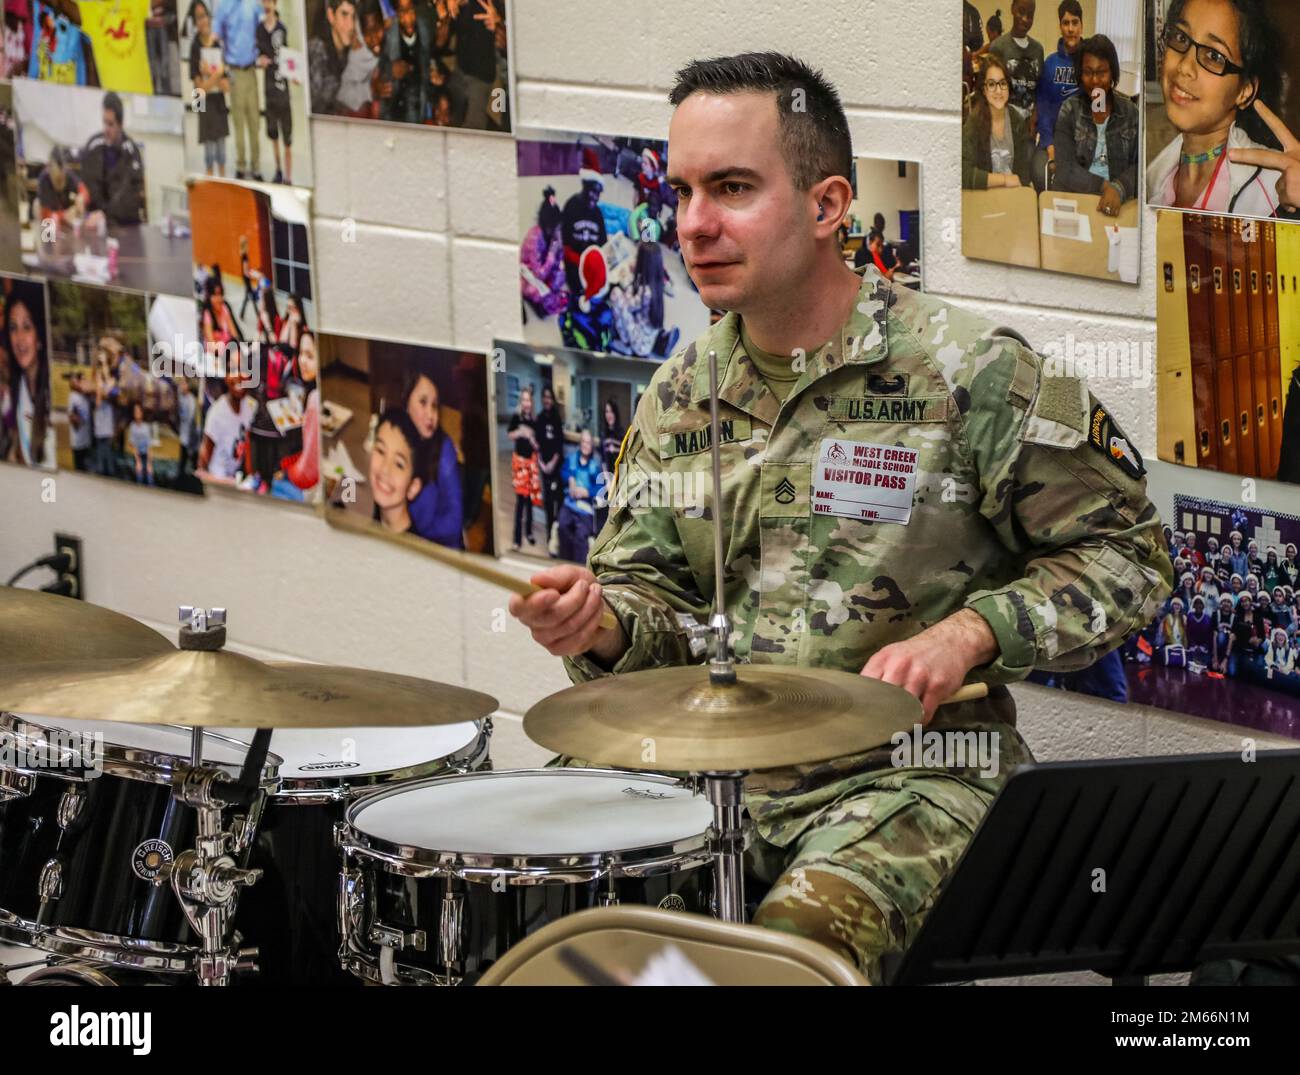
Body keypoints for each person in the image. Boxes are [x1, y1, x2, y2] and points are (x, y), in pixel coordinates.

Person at [508, 51, 1171, 981]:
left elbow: (1132, 558)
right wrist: (605, 625)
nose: (695, 224)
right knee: (532, 907)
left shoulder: (971, 369)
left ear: (827, 207)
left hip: (909, 773)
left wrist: (972, 631)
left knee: (785, 956)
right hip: (710, 765)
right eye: (684, 189)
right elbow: (648, 598)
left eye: (733, 188)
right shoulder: (680, 392)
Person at [1147, 0, 1296, 219]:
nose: (1184, 66)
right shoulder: (1155, 176)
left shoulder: (1276, 190)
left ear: (1244, 91)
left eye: (1214, 56)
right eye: (1181, 37)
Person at [1051, 34, 1138, 216]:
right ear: (1080, 75)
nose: (1095, 80)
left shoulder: (1131, 113)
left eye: (1102, 72)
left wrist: (1119, 188)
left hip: (1118, 204)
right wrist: (1106, 186)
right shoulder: (1069, 110)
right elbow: (1064, 167)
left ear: (1112, 73)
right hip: (1075, 197)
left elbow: (1141, 167)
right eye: (1088, 72)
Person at [403, 370, 464, 549]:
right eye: (423, 402)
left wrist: (417, 531)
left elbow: (455, 521)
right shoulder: (401, 439)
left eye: (435, 406)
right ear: (406, 404)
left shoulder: (444, 451)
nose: (431, 414)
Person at [962, 53, 1034, 190]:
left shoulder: (1017, 122)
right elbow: (963, 173)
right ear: (983, 89)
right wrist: (1004, 180)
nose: (998, 91)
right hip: (984, 195)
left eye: (1002, 83)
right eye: (991, 84)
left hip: (1011, 197)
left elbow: (1023, 177)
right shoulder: (974, 122)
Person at [1, 288, 53, 468]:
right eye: (13, 328)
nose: (19, 338)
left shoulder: (49, 393)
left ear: (40, 336)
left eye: (27, 327)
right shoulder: (18, 389)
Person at [80, 92, 146, 227]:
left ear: (120, 125)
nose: (106, 129)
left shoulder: (131, 151)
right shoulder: (94, 146)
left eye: (111, 124)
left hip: (125, 223)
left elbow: (128, 194)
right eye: (104, 122)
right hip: (97, 223)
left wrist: (105, 214)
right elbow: (90, 187)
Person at [214, 0, 262, 180]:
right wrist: (221, 75)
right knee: (237, 123)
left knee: (254, 122)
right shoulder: (223, 8)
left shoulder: (254, 6)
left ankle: (255, 167)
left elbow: (263, 32)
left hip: (249, 71)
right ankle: (240, 166)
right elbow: (215, 41)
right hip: (230, 74)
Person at [1035, 0, 1083, 173]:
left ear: (1081, 26)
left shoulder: (1090, 62)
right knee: (1040, 174)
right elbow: (1044, 110)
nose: (1070, 29)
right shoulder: (1050, 63)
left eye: (1075, 22)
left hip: (1083, 142)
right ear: (1060, 27)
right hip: (1052, 141)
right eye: (1066, 23)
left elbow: (1098, 106)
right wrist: (1050, 147)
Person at [610, 242, 677, 358]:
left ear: (642, 262)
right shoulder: (657, 283)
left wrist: (627, 281)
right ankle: (662, 339)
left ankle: (625, 343)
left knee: (616, 294)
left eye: (637, 257)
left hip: (639, 345)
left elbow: (628, 305)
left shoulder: (644, 291)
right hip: (649, 338)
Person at [189, 1, 231, 177]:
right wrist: (216, 74)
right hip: (203, 105)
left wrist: (210, 75)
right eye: (199, 18)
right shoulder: (194, 48)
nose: (203, 21)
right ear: (194, 22)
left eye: (205, 16)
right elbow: (198, 91)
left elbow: (226, 87)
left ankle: (222, 182)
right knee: (209, 156)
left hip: (219, 103)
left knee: (221, 154)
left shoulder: (218, 45)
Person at [369, 407, 425, 533]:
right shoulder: (380, 509)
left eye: (399, 464)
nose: (385, 469)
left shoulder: (408, 549)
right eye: (381, 451)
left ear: (413, 488)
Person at [989, 0, 1044, 125]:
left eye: (1030, 15)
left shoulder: (1038, 50)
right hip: (1004, 125)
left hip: (1029, 128)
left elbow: (1040, 90)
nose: (1025, 19)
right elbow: (990, 91)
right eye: (1021, 12)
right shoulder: (998, 47)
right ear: (1013, 9)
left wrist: (1035, 117)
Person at [556, 427, 604, 564]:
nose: (585, 445)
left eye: (588, 443)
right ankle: (564, 565)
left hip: (585, 509)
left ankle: (578, 569)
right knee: (563, 527)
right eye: (583, 441)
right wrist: (570, 478)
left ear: (591, 446)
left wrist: (587, 492)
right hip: (569, 504)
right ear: (580, 443)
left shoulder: (595, 466)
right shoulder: (571, 459)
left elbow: (601, 488)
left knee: (580, 535)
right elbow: (563, 472)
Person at [256, 0, 292, 184]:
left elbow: (288, 57)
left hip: (282, 88)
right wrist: (259, 61)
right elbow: (257, 54)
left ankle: (288, 174)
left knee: (287, 134)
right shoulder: (259, 30)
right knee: (273, 132)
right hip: (269, 88)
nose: (266, 5)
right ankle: (278, 170)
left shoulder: (282, 29)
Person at [198, 367, 255, 480]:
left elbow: (246, 442)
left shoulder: (249, 406)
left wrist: (249, 475)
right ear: (226, 377)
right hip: (217, 477)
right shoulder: (217, 413)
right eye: (234, 371)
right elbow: (204, 456)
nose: (239, 376)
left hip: (235, 476)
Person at [520, 187, 568, 318]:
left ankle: (547, 297)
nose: (558, 231)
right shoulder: (534, 238)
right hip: (529, 274)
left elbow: (560, 261)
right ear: (548, 227)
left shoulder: (554, 236)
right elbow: (538, 274)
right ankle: (535, 302)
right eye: (556, 228)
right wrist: (552, 254)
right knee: (535, 291)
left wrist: (559, 249)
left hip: (545, 269)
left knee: (563, 274)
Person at [381, 0, 429, 125]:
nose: (407, 15)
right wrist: (389, 69)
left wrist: (431, 71)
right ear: (396, 12)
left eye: (410, 9)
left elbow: (428, 56)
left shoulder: (423, 27)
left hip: (417, 100)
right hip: (394, 102)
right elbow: (378, 64)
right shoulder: (389, 32)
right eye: (402, 10)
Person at [335, 0, 385, 117]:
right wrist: (370, 90)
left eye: (378, 30)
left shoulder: (389, 28)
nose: (374, 39)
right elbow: (342, 93)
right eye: (368, 34)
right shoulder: (355, 55)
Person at [507, 385, 540, 550]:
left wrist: (533, 439)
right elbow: (510, 434)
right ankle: (516, 539)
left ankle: (529, 533)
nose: (527, 403)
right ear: (521, 401)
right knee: (520, 502)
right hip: (519, 465)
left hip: (531, 465)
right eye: (524, 400)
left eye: (529, 400)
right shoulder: (516, 417)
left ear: (532, 402)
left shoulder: (534, 421)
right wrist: (520, 432)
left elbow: (536, 444)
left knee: (530, 501)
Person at [309, 0, 355, 113]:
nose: (351, 26)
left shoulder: (348, 53)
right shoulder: (317, 51)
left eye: (353, 17)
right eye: (344, 15)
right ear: (331, 16)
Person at [535, 385, 564, 555]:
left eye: (549, 397)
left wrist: (552, 463)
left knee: (558, 503)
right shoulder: (539, 418)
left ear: (552, 400)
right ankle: (549, 539)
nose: (547, 400)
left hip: (556, 468)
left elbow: (559, 444)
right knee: (547, 505)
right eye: (544, 397)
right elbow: (538, 445)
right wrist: (541, 463)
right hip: (544, 468)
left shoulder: (556, 418)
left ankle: (557, 537)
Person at [36, 146, 88, 226]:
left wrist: (82, 197)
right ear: (49, 170)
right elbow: (46, 214)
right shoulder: (44, 180)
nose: (61, 181)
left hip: (66, 213)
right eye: (57, 179)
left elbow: (82, 188)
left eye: (63, 178)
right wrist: (63, 215)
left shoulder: (68, 174)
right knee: (36, 206)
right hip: (50, 216)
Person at [67, 372, 93, 471]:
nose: (81, 382)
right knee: (79, 468)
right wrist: (79, 422)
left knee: (86, 467)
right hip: (77, 441)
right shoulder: (73, 396)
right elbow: (70, 415)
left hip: (86, 439)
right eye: (79, 380)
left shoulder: (85, 396)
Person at [127, 401, 153, 485]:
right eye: (135, 411)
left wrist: (149, 463)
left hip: (146, 454)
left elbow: (149, 446)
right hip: (137, 454)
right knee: (139, 474)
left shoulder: (146, 427)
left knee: (149, 476)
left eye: (138, 411)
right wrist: (138, 461)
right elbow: (133, 445)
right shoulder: (132, 427)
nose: (137, 413)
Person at [177, 377, 198, 475]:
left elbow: (190, 417)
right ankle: (181, 475)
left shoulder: (191, 399)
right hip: (183, 433)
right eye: (181, 384)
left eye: (183, 384)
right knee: (183, 456)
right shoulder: (180, 397)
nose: (182, 386)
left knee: (192, 455)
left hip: (190, 433)